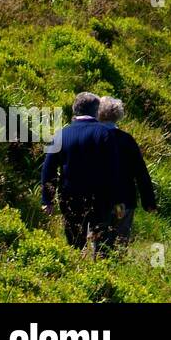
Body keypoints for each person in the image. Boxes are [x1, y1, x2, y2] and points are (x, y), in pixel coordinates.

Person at [41, 92, 124, 256]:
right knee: (101, 243)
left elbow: (48, 169)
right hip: (101, 198)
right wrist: (118, 199)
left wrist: (47, 200)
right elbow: (114, 170)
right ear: (96, 111)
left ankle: (74, 271)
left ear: (74, 110)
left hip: (70, 197)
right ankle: (98, 273)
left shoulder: (61, 135)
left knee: (74, 242)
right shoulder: (106, 135)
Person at [97, 97, 157, 245]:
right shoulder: (127, 140)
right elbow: (141, 172)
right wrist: (148, 201)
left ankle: (97, 266)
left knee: (98, 240)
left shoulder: (94, 137)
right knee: (120, 239)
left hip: (99, 199)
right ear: (118, 115)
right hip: (124, 199)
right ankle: (117, 266)